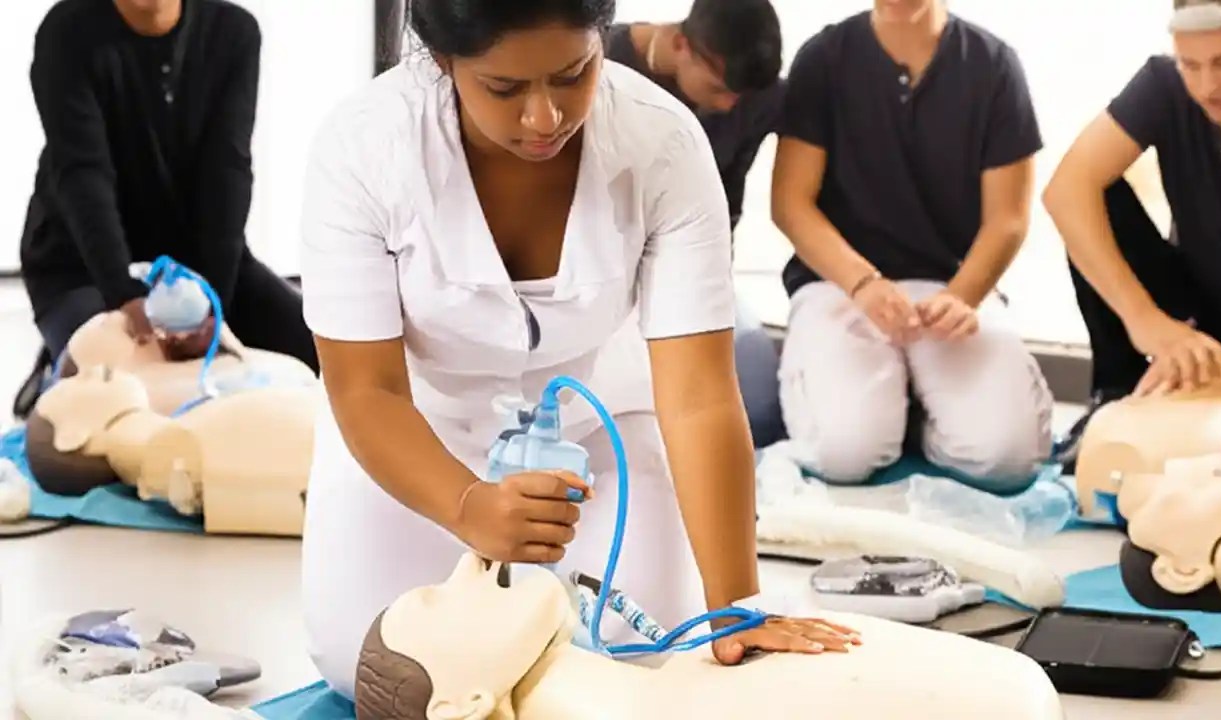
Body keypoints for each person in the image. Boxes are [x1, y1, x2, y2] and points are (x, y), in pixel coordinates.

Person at [297, 0, 854, 699]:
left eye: (572, 74)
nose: (545, 119)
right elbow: (365, 390)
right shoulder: (362, 147)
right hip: (413, 437)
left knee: (646, 653)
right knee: (378, 668)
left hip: (599, 438)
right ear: (444, 62)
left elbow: (700, 394)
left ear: (602, 39)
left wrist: (735, 606)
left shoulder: (664, 144)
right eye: (505, 89)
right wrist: (468, 506)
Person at [769, 0, 1053, 487]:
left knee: (1006, 459)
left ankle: (916, 408)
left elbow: (1007, 219)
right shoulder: (825, 58)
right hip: (840, 284)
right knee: (845, 453)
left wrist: (962, 296)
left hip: (948, 293)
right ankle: (891, 402)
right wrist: (863, 284)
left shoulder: (993, 65)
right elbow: (791, 203)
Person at [13, 0, 317, 418]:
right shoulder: (66, 31)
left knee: (326, 351)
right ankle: (58, 356)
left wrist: (211, 301)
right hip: (81, 266)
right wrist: (124, 295)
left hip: (192, 261)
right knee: (114, 402)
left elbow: (227, 171)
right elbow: (84, 173)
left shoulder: (234, 32)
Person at [1044, 0, 1221, 463]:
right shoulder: (1163, 84)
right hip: (1200, 298)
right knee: (1097, 200)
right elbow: (1064, 191)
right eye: (1191, 64)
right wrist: (1144, 321)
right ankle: (1115, 393)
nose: (1208, 86)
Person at [603, 0, 788, 447]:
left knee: (759, 403)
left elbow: (730, 198)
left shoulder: (754, 95)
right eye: (720, 88)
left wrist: (710, 286)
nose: (728, 106)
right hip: (608, 275)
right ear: (681, 43)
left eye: (740, 97)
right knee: (638, 405)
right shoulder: (599, 65)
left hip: (693, 267)